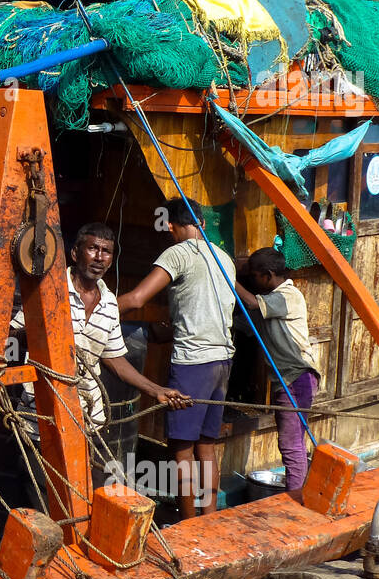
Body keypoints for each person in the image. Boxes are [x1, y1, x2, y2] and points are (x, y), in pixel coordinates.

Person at [10, 222, 191, 432]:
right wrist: (39, 332)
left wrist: (156, 390)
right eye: (93, 248)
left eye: (106, 252)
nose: (99, 257)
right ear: (76, 254)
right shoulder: (49, 292)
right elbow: (12, 337)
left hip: (88, 416)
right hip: (40, 412)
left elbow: (114, 358)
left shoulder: (110, 303)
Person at [118, 198, 236, 519]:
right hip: (223, 361)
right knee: (206, 448)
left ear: (171, 225)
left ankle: (188, 525)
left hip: (193, 362)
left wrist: (93, 311)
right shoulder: (223, 257)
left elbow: (137, 298)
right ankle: (208, 522)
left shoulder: (178, 253)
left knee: (181, 449)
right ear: (201, 222)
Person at [234, 247, 318, 491]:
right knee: (293, 443)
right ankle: (297, 493)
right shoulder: (268, 306)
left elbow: (250, 302)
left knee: (291, 444)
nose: (252, 281)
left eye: (254, 277)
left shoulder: (287, 296)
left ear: (268, 275)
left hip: (297, 378)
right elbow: (246, 323)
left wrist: (227, 275)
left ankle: (294, 499)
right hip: (291, 380)